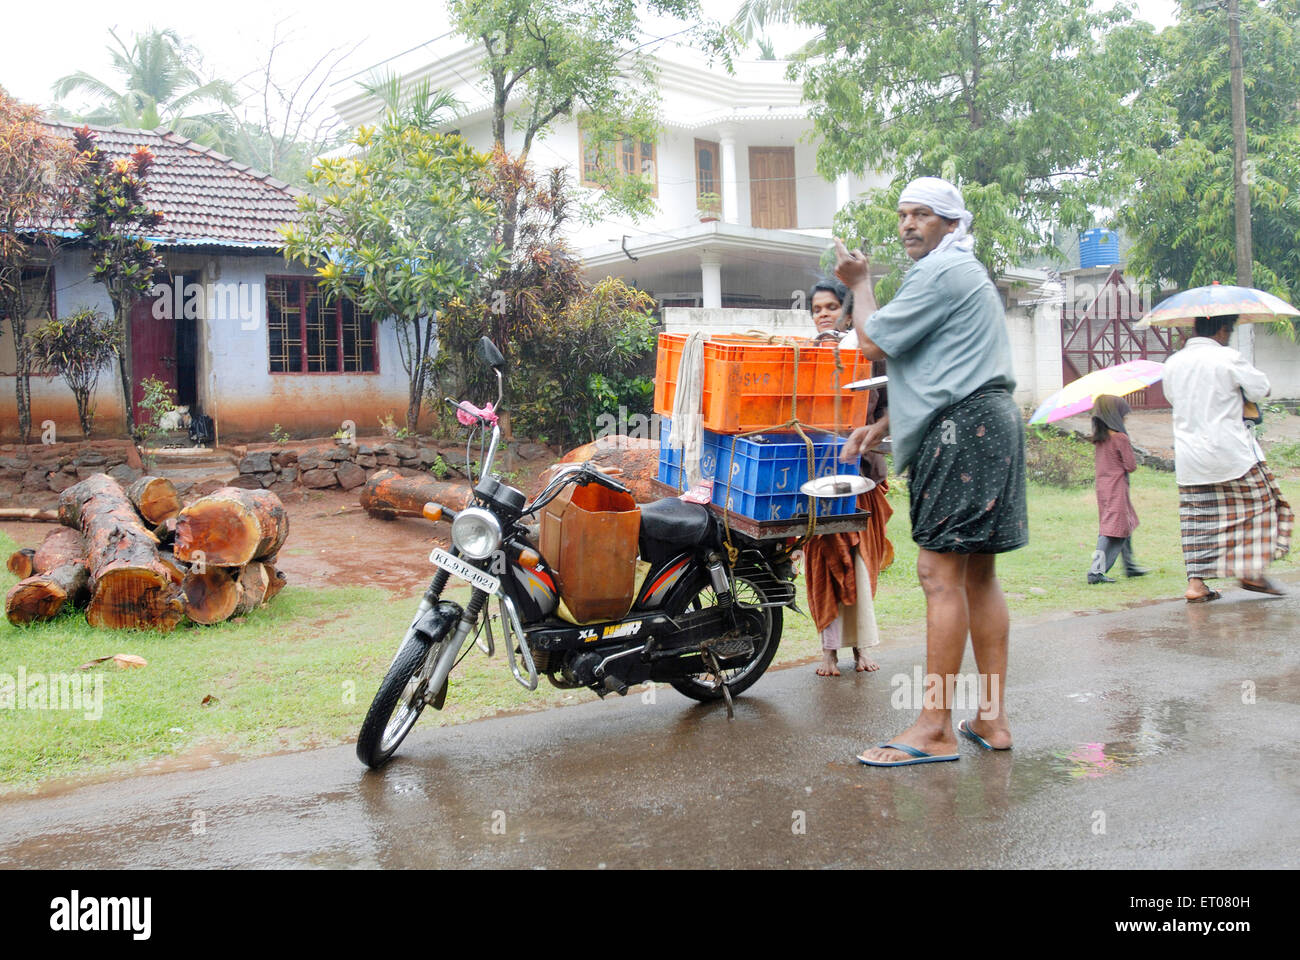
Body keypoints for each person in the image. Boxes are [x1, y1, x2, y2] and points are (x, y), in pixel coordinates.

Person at [833, 176, 1026, 766]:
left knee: (938, 575)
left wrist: (860, 284)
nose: (908, 225)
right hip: (991, 422)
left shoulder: (940, 272)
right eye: (903, 215)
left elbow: (872, 343)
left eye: (922, 215)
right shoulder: (963, 272)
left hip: (963, 431)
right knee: (976, 577)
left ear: (950, 222)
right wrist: (887, 424)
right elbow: (945, 365)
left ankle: (935, 727)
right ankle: (990, 717)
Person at [798, 278, 895, 676]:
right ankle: (828, 652)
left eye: (831, 307)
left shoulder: (872, 355)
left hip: (864, 476)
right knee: (824, 564)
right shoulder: (805, 355)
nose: (823, 314)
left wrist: (870, 439)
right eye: (817, 308)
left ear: (849, 312)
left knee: (858, 561)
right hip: (817, 478)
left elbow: (891, 409)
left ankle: (860, 650)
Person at [1161, 314, 1293, 601]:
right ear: (1222, 330)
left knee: (1196, 520)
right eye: (1229, 329)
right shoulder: (1227, 358)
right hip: (1232, 454)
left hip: (1190, 458)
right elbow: (1262, 389)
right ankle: (1250, 570)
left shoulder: (1173, 363)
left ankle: (1196, 584)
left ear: (1195, 328)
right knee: (1266, 505)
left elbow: (1172, 397)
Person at [1086, 395, 1149, 583]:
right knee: (1111, 529)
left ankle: (1129, 565)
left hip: (1103, 488)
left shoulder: (1100, 438)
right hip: (1117, 488)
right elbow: (1130, 466)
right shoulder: (1120, 438)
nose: (1125, 419)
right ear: (1115, 417)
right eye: (1123, 415)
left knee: (1124, 524)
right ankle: (1095, 572)